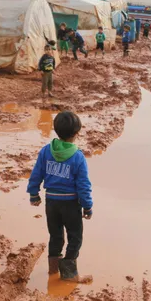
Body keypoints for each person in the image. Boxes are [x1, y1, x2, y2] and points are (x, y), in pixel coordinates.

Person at [27, 111, 93, 282]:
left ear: (55, 129)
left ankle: (53, 270)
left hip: (51, 203)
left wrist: (34, 194)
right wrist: (87, 205)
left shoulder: (46, 151)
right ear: (76, 133)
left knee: (55, 235)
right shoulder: (78, 156)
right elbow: (83, 184)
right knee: (75, 237)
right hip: (70, 204)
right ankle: (70, 274)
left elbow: (36, 174)